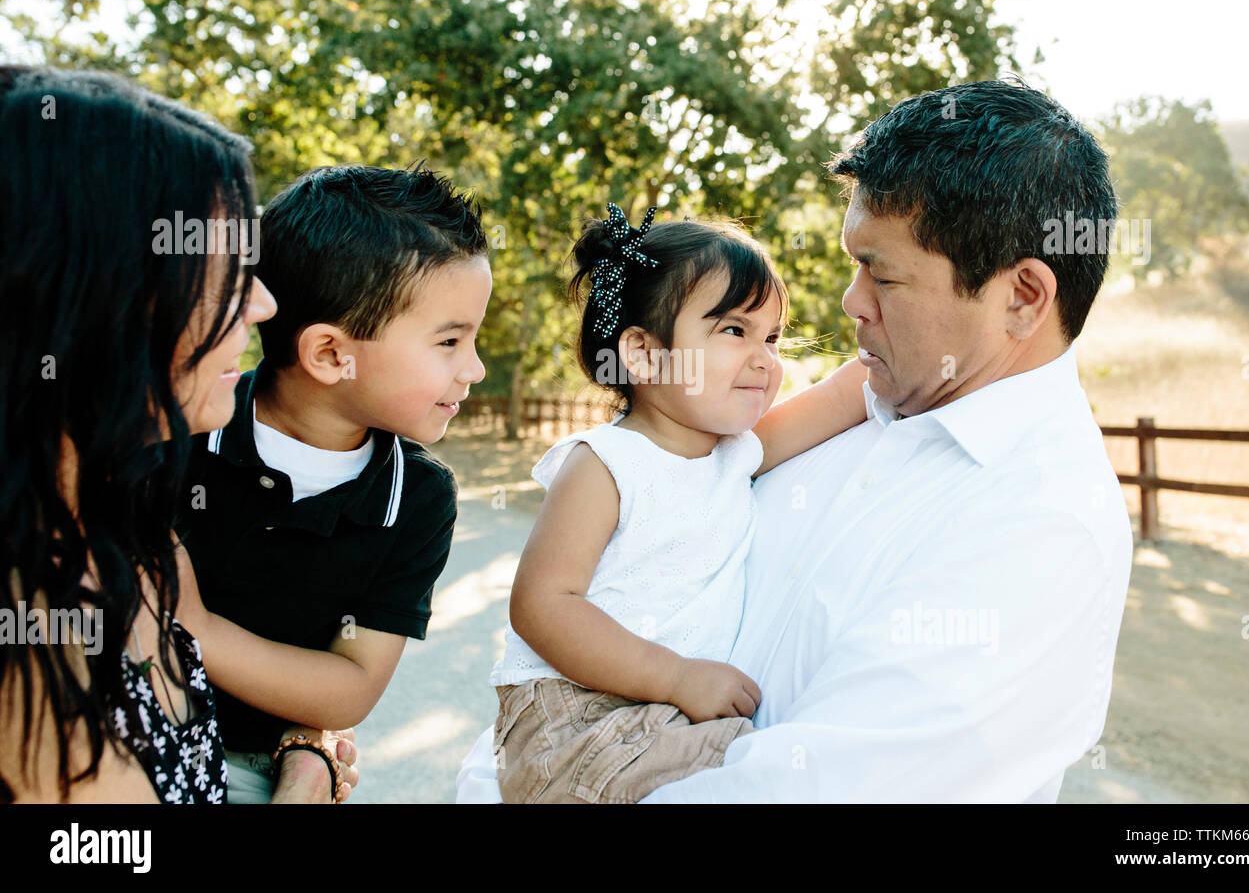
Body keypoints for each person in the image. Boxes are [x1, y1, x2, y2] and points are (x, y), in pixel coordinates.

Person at [458, 79, 1133, 803]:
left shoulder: (1045, 526)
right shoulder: (830, 417)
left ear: (1022, 298)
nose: (851, 302)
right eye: (853, 264)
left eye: (881, 272)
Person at [0, 66, 356, 803]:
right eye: (226, 270)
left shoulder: (133, 535)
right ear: (101, 293)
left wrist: (300, 756)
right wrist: (307, 781)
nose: (260, 304)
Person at [487, 205, 872, 803]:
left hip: (660, 719)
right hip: (576, 714)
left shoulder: (737, 453)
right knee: (761, 778)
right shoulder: (607, 463)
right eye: (733, 331)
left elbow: (845, 394)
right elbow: (541, 605)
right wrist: (675, 676)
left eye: (771, 337)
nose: (764, 358)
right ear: (640, 353)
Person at [174, 165, 490, 802]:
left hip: (267, 762)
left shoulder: (418, 498)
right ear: (328, 354)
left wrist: (196, 630)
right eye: (450, 341)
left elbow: (350, 685)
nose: (475, 369)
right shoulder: (180, 434)